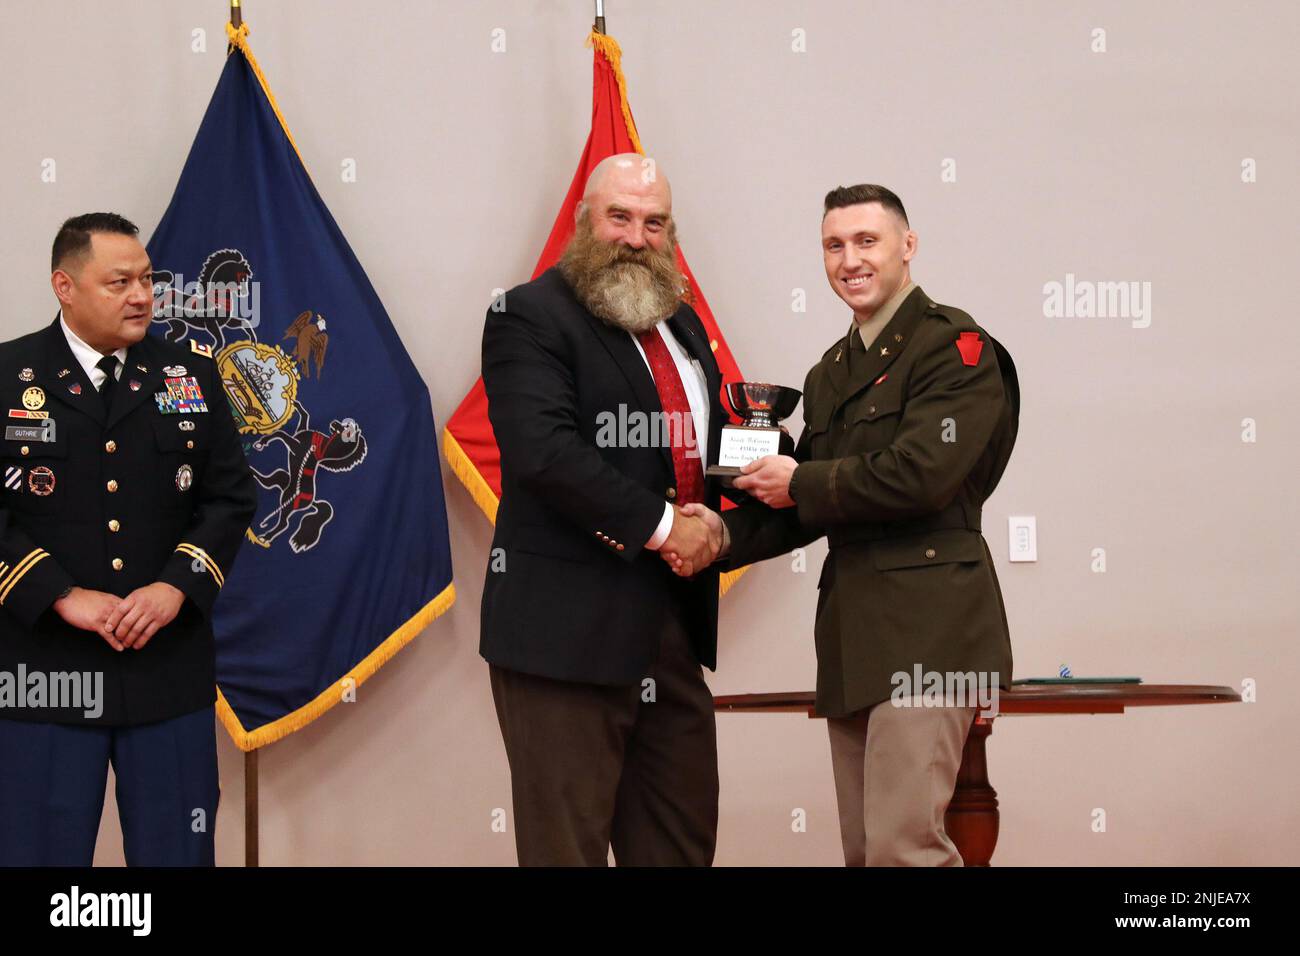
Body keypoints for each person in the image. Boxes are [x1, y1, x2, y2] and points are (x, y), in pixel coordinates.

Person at [664, 184, 1019, 866]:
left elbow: (921, 474)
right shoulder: (829, 373)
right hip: (855, 636)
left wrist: (798, 478)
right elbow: (808, 506)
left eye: (867, 241)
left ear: (907, 247)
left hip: (930, 630)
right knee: (866, 853)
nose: (849, 259)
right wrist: (718, 535)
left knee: (904, 850)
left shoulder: (954, 347)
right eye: (834, 245)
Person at [480, 155, 731, 865]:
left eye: (654, 223)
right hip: (563, 639)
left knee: (679, 848)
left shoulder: (679, 323)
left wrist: (763, 497)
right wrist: (665, 527)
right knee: (568, 851)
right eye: (619, 216)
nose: (635, 237)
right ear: (585, 219)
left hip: (673, 635)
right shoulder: (529, 315)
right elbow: (544, 454)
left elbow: (711, 453)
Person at [0, 213, 257, 866]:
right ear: (65, 285)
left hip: (165, 669)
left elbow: (230, 498)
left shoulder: (191, 375)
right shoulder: (10, 375)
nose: (142, 295)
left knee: (178, 854)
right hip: (44, 675)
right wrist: (59, 594)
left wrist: (177, 587)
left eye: (146, 280)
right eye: (119, 282)